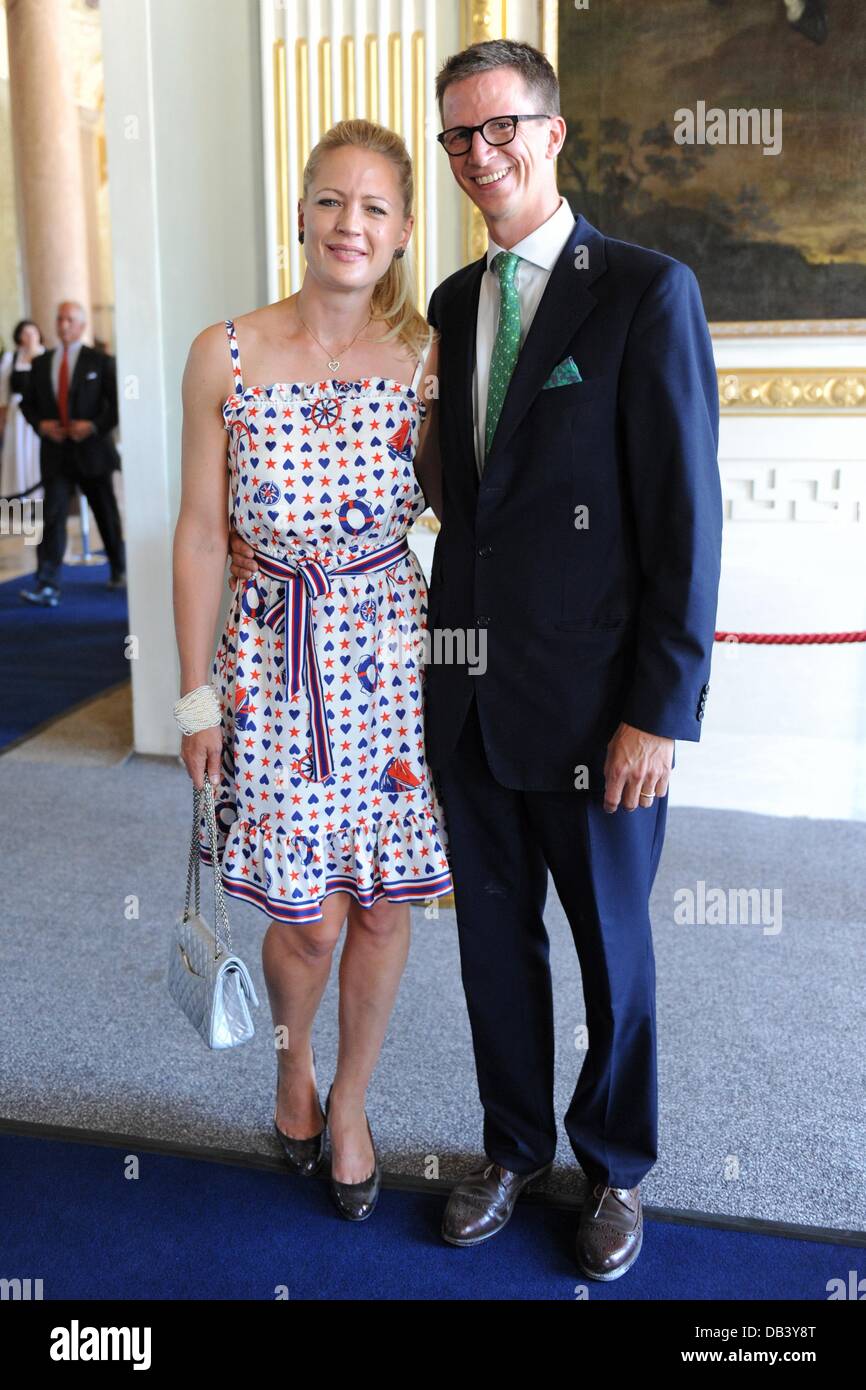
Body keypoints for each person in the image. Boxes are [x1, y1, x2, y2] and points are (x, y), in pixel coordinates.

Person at [230, 40, 723, 1280]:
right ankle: (510, 1145)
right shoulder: (448, 304)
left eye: (500, 127)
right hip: (459, 696)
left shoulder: (644, 290)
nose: (479, 152)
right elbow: (452, 505)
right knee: (491, 942)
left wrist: (658, 709)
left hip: (601, 707)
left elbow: (684, 520)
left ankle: (613, 1167)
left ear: (550, 133)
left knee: (611, 945)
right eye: (457, 137)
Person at [173, 118, 453, 1223]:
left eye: (375, 206)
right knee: (308, 920)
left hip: (390, 663)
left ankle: (349, 1102)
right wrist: (194, 696)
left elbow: (473, 518)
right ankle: (291, 1067)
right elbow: (200, 534)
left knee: (382, 910)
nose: (350, 223)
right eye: (331, 200)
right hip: (269, 666)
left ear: (402, 232)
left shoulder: (432, 362)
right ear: (299, 212)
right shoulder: (224, 352)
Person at [18, 301, 125, 606]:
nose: (63, 324)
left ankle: (119, 569)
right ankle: (47, 583)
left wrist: (92, 427)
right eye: (59, 318)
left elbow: (117, 405)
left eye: (70, 319)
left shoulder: (100, 361)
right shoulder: (41, 363)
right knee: (52, 516)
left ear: (81, 326)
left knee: (106, 514)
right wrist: (41, 425)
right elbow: (27, 404)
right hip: (56, 455)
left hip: (93, 454)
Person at [0, 319, 45, 503]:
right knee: (17, 457)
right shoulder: (11, 359)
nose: (29, 337)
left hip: (38, 415)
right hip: (17, 417)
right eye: (25, 334)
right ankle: (19, 503)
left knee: (35, 456)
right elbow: (3, 393)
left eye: (33, 332)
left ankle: (39, 500)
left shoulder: (45, 356)